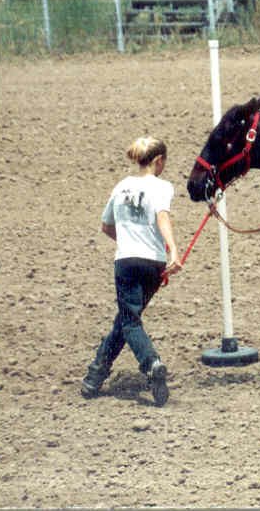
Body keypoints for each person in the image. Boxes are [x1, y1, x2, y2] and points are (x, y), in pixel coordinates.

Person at [81, 136, 182, 406]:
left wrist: (127, 242)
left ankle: (151, 363)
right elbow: (162, 217)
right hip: (153, 264)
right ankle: (95, 375)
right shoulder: (163, 187)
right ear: (159, 161)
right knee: (128, 320)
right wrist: (172, 250)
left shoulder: (121, 186)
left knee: (129, 321)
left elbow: (106, 226)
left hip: (126, 261)